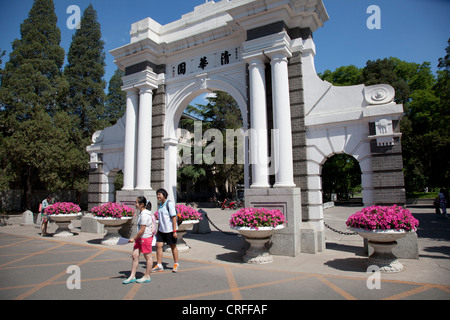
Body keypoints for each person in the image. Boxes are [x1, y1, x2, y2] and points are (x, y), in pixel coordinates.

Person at [123, 196, 154, 284]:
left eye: (136, 203)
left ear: (142, 204)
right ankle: (132, 276)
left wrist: (134, 238)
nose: (135, 204)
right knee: (135, 255)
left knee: (148, 257)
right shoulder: (142, 213)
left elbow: (142, 230)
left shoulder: (144, 215)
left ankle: (147, 276)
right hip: (140, 238)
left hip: (145, 238)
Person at [152, 188, 179, 273]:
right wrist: (158, 229)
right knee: (158, 246)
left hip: (169, 230)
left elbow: (174, 218)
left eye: (159, 194)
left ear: (164, 195)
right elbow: (160, 218)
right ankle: (159, 264)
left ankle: (176, 264)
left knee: (172, 246)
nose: (158, 196)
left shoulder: (169, 204)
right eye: (157, 194)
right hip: (161, 230)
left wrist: (174, 231)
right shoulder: (160, 205)